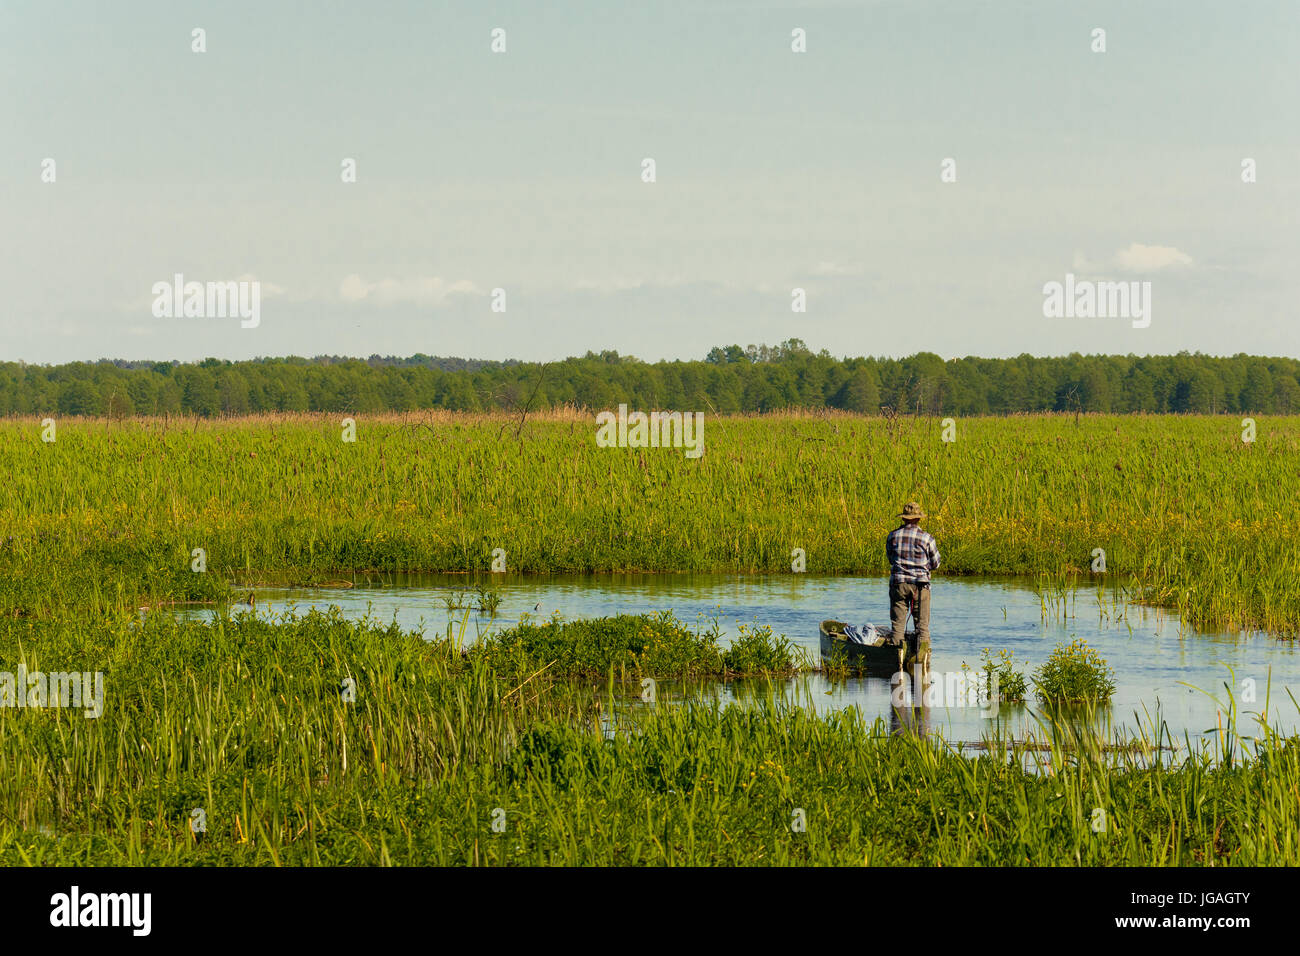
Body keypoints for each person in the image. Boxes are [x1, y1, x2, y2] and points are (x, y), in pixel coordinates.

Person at [885, 502, 940, 651]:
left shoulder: (892, 536)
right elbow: (936, 563)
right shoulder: (927, 538)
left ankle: (897, 659)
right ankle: (922, 662)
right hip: (921, 586)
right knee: (922, 626)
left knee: (897, 624)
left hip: (899, 584)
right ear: (918, 519)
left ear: (903, 519)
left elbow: (891, 559)